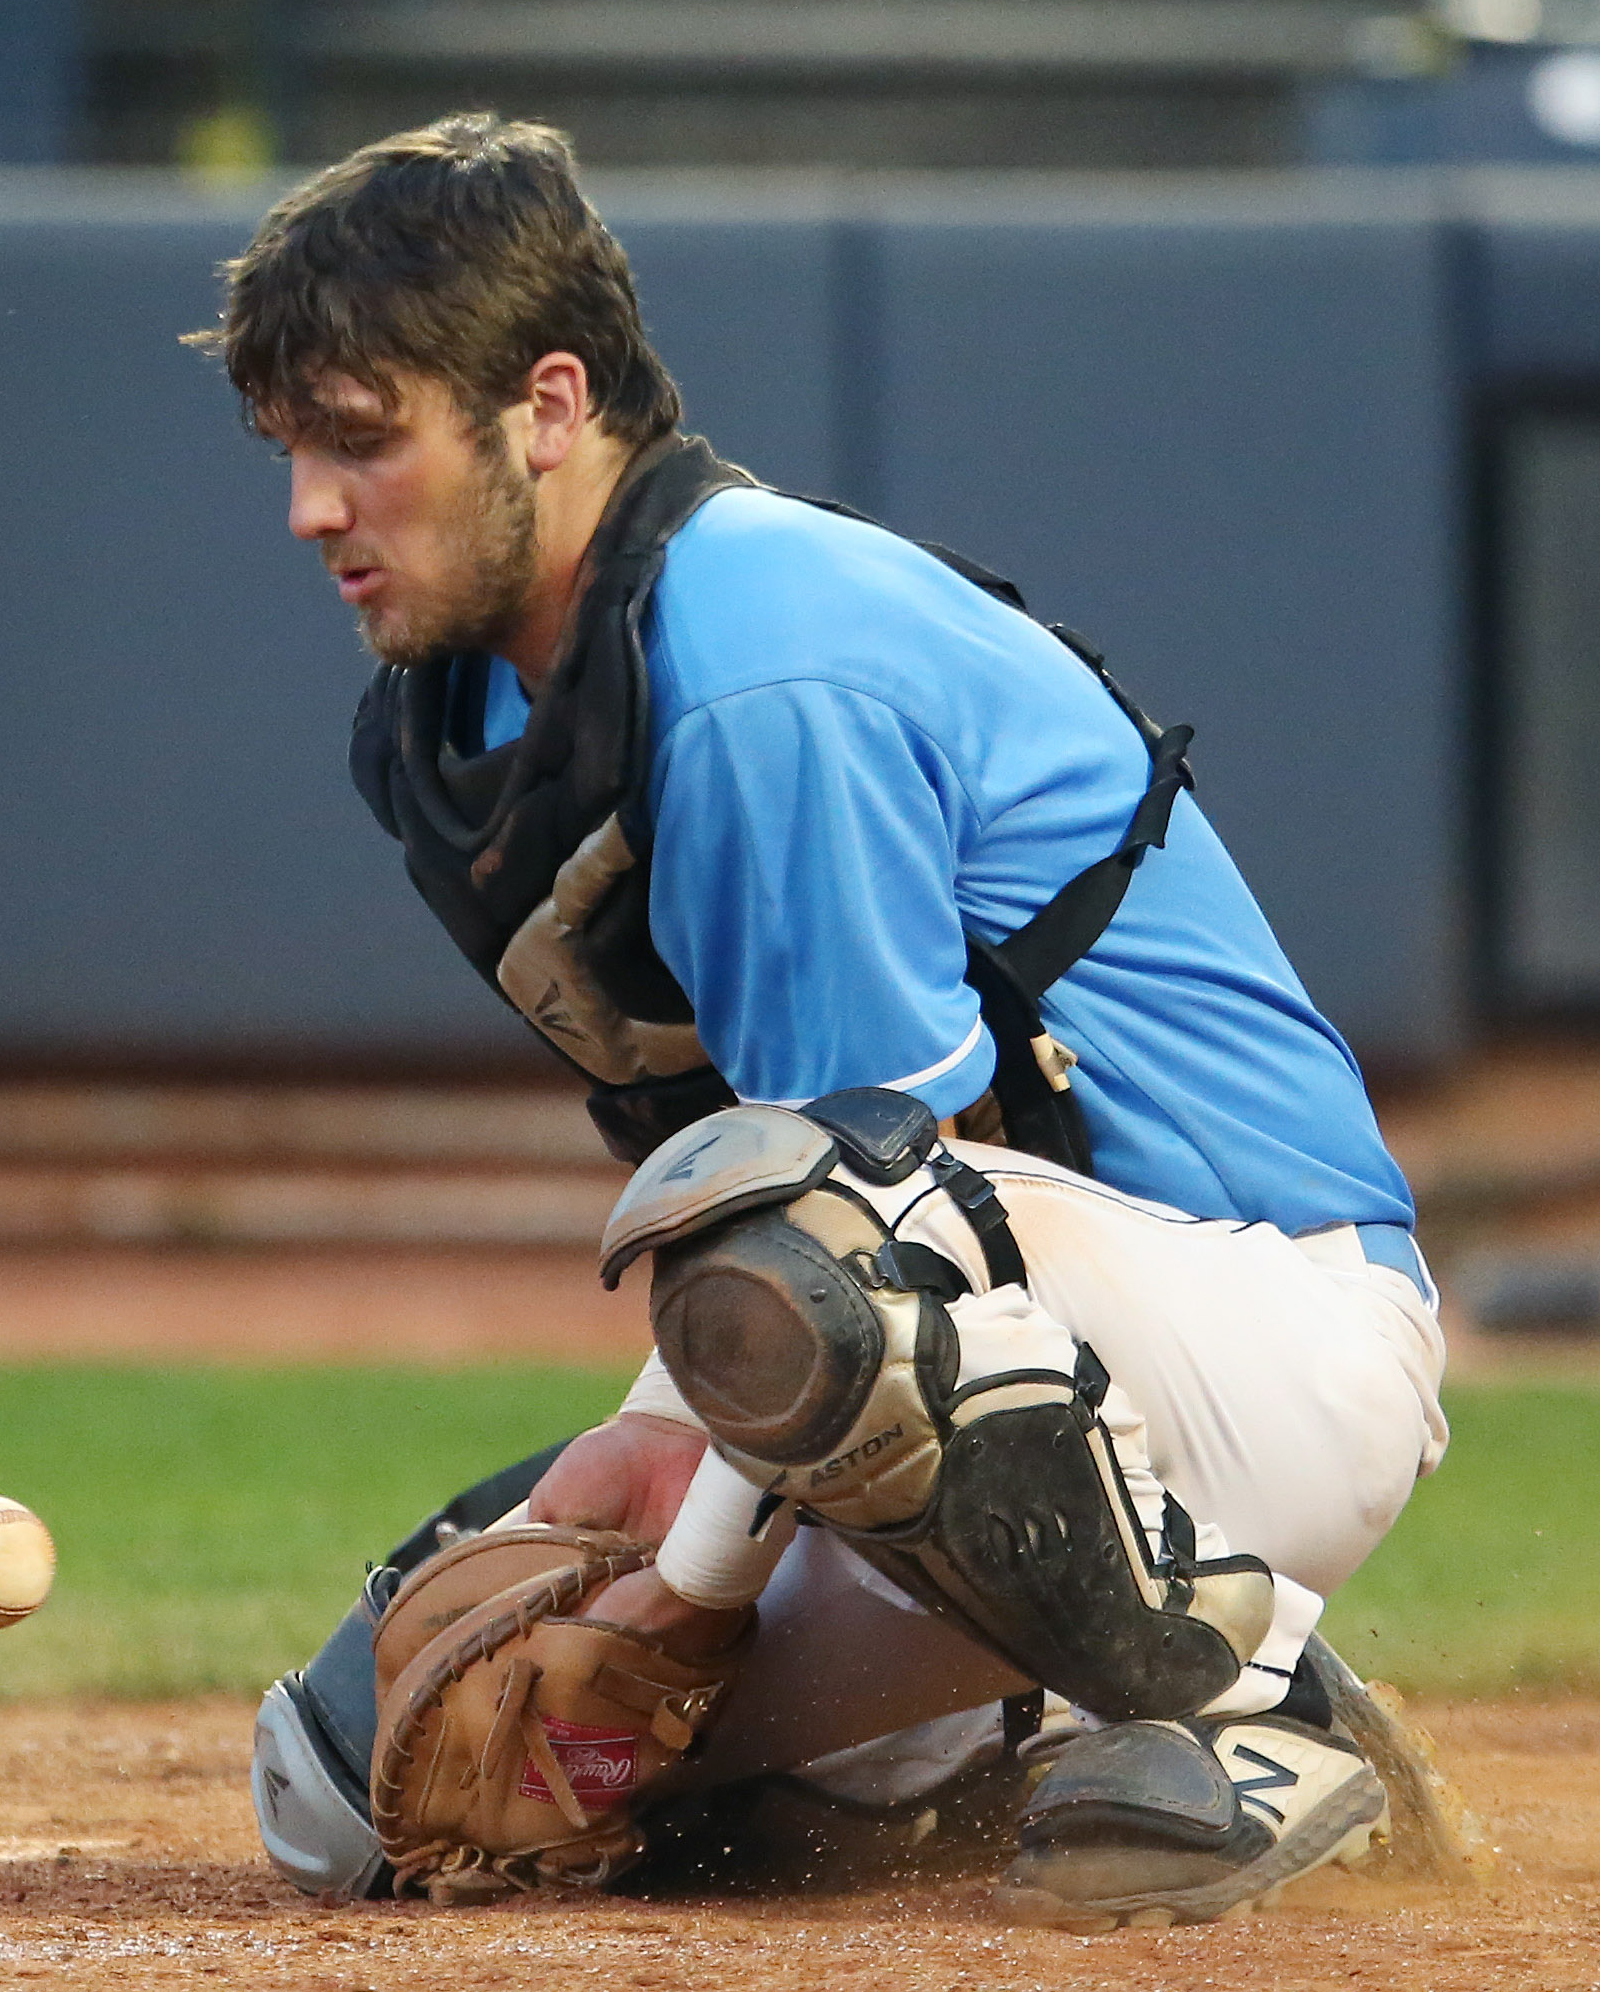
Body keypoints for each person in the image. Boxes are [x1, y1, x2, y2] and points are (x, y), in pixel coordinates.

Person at [204, 114, 1451, 1932]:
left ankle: (1228, 1695)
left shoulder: (754, 660)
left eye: (360, 436)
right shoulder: (522, 694)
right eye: (291, 447)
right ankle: (1006, 1721)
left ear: (547, 405)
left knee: (774, 1295)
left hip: (1259, 1332)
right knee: (345, 1786)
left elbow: (862, 1196)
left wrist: (688, 1592)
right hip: (1014, 1325)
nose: (313, 507)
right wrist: (649, 1446)